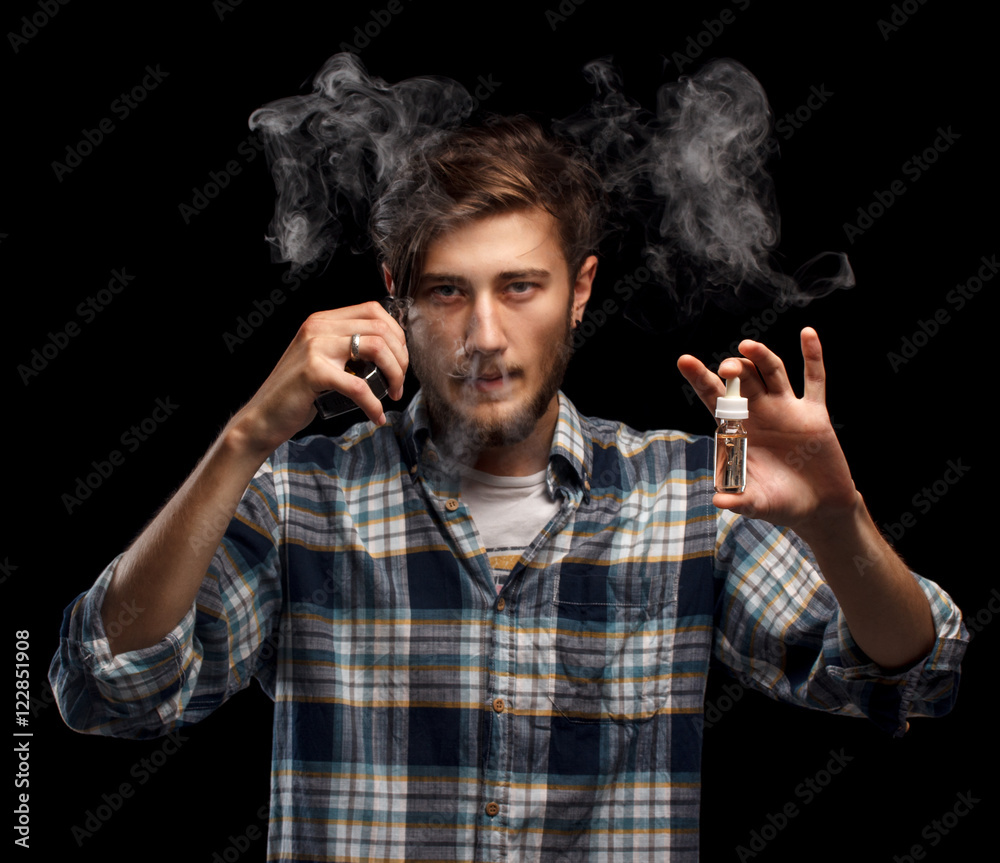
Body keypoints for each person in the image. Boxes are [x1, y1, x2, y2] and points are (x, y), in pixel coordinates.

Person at [49, 115, 967, 862]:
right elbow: (108, 686)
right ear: (395, 295)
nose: (484, 333)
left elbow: (909, 675)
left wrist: (837, 517)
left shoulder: (690, 494)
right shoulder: (298, 498)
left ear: (579, 290)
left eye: (520, 286)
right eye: (448, 292)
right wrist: (244, 437)